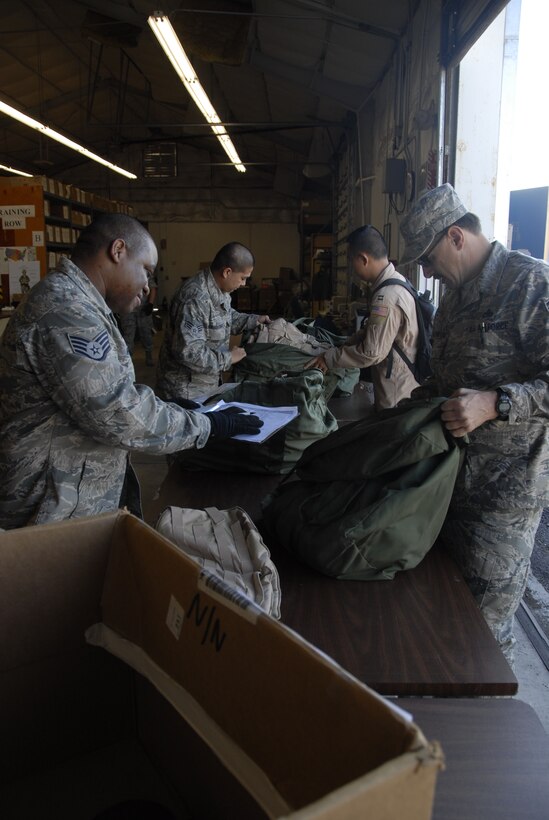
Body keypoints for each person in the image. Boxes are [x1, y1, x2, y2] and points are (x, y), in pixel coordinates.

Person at [0, 215, 262, 530]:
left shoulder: (81, 304)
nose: (147, 286)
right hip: (51, 510)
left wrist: (174, 408)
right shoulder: (67, 312)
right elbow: (117, 413)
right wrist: (208, 426)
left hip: (67, 498)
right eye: (146, 271)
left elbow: (112, 391)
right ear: (118, 251)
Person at [399, 182, 549, 663]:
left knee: (481, 641)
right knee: (440, 619)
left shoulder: (530, 286)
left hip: (501, 503)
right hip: (445, 486)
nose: (425, 272)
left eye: (427, 259)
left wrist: (496, 403)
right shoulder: (452, 301)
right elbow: (444, 383)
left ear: (456, 236)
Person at [305, 225, 420, 410]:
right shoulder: (399, 282)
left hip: (396, 397)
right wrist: (344, 344)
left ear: (363, 259)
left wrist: (330, 358)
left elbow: (371, 352)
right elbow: (373, 331)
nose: (351, 266)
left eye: (352, 260)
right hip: (402, 386)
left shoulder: (387, 298)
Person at [156, 242, 270, 402]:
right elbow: (190, 353)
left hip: (205, 384)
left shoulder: (219, 289)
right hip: (185, 392)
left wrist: (254, 320)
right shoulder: (194, 298)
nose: (244, 284)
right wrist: (229, 358)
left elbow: (225, 317)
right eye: (243, 278)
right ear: (227, 272)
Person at [118, 270, 158, 366]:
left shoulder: (144, 270)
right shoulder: (121, 271)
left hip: (143, 309)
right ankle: (128, 360)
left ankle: (149, 356)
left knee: (146, 333)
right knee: (128, 336)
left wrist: (150, 304)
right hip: (128, 309)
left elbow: (153, 288)